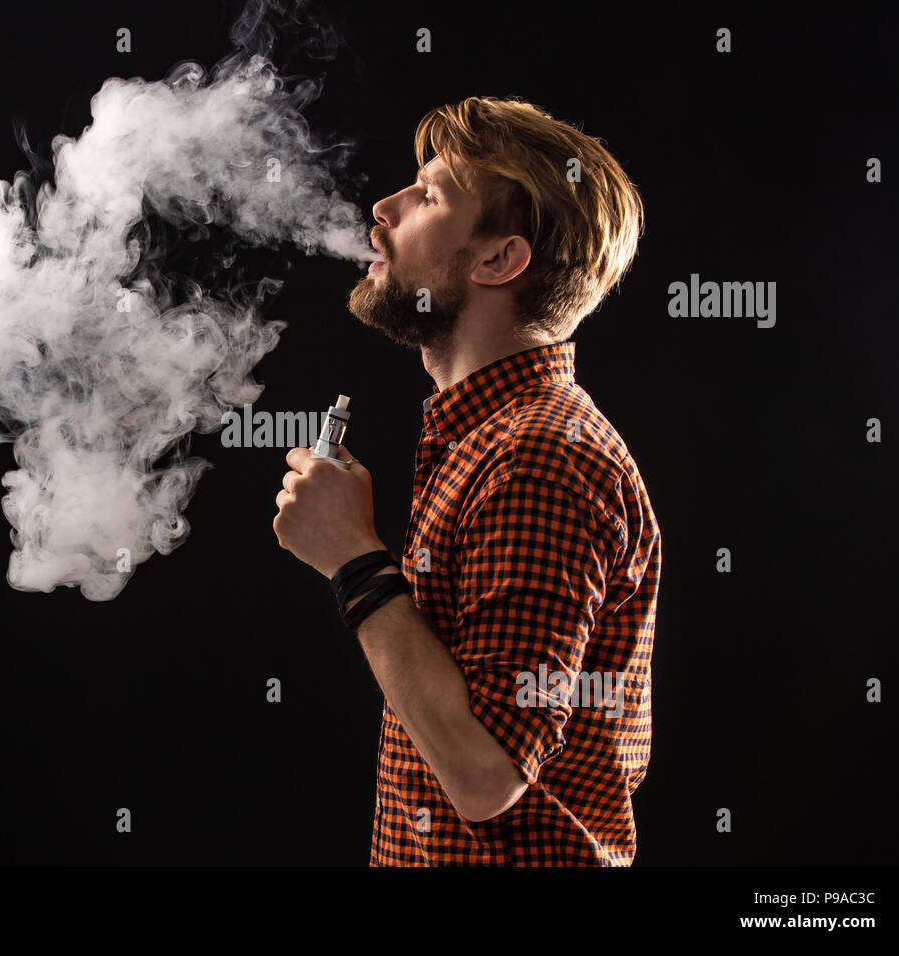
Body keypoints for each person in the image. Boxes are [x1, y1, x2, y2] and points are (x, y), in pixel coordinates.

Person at [272, 95, 661, 865]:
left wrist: (353, 559)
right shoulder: (486, 439)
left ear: (497, 260)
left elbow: (485, 776)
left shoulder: (540, 458)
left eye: (429, 194)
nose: (384, 207)